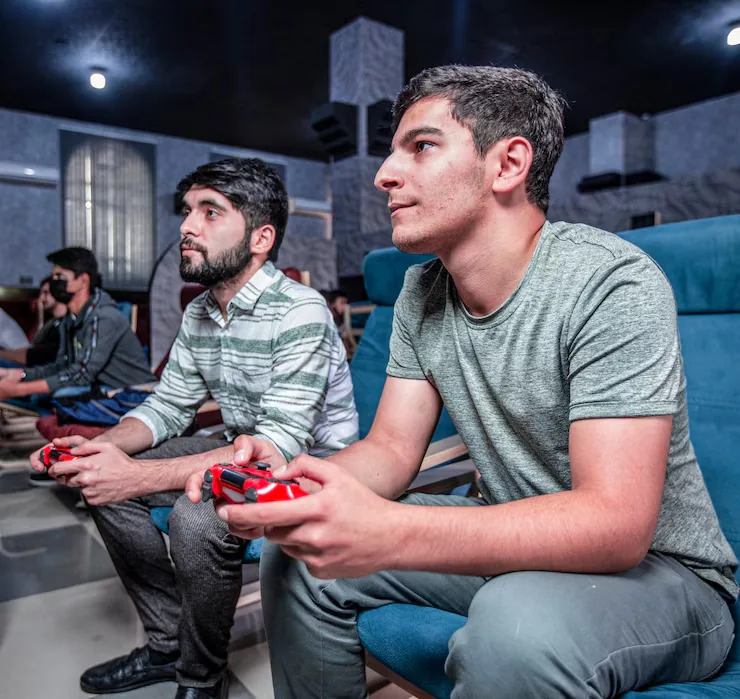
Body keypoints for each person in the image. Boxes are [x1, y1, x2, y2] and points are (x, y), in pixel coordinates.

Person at [206, 66, 738, 698]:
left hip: (666, 576)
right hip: (515, 538)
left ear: (507, 164)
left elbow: (616, 523)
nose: (383, 174)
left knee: (516, 627)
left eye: (421, 146)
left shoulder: (610, 283)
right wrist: (295, 488)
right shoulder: (421, 291)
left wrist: (392, 532)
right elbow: (391, 450)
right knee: (298, 551)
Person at [32, 158, 358, 699]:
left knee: (196, 517)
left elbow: (276, 446)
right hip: (241, 451)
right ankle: (168, 645)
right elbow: (166, 408)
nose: (186, 226)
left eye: (210, 212)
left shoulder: (301, 311)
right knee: (102, 480)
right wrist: (98, 448)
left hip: (310, 467)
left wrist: (136, 476)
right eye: (187, 212)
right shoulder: (201, 312)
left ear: (261, 238)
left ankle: (201, 678)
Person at [0, 247, 156, 406]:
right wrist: (20, 375)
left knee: (63, 396)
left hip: (134, 394)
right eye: (53, 276)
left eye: (60, 277)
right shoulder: (70, 320)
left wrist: (18, 389)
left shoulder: (104, 317)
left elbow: (82, 374)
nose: (54, 282)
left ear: (83, 280)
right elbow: (61, 367)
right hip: (103, 390)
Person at [0, 276, 67, 368]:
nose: (41, 298)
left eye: (46, 293)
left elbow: (34, 356)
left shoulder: (63, 325)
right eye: (40, 294)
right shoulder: (52, 323)